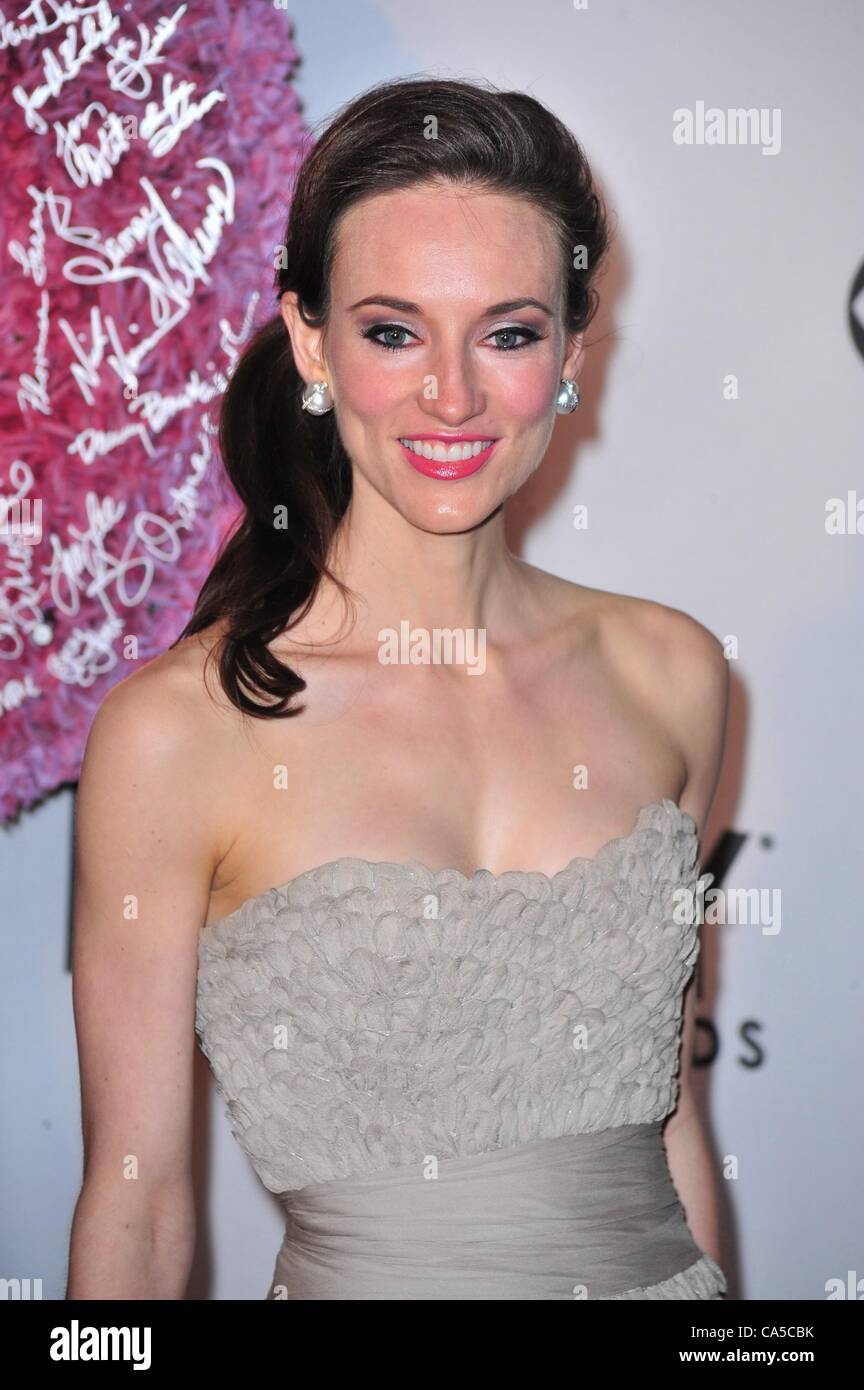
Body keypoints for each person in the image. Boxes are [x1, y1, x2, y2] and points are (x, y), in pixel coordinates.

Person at [66, 76, 729, 1300]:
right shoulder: (178, 733)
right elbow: (137, 1199)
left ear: (573, 351)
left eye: (509, 332)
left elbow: (671, 1123)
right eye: (393, 330)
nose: (453, 396)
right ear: (312, 340)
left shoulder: (674, 675)